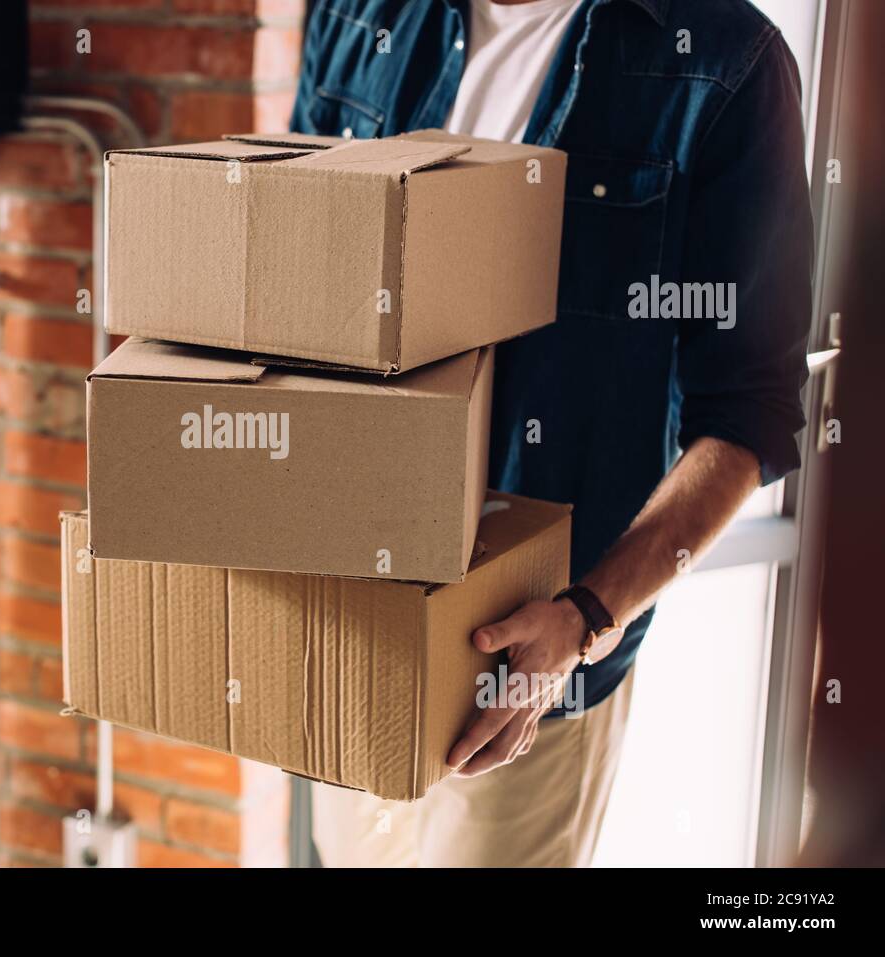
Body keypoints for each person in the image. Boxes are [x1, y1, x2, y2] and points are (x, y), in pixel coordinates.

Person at [291, 0, 813, 867]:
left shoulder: (726, 61)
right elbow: (282, 284)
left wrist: (587, 619)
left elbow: (748, 413)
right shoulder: (354, 15)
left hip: (529, 665)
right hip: (353, 636)